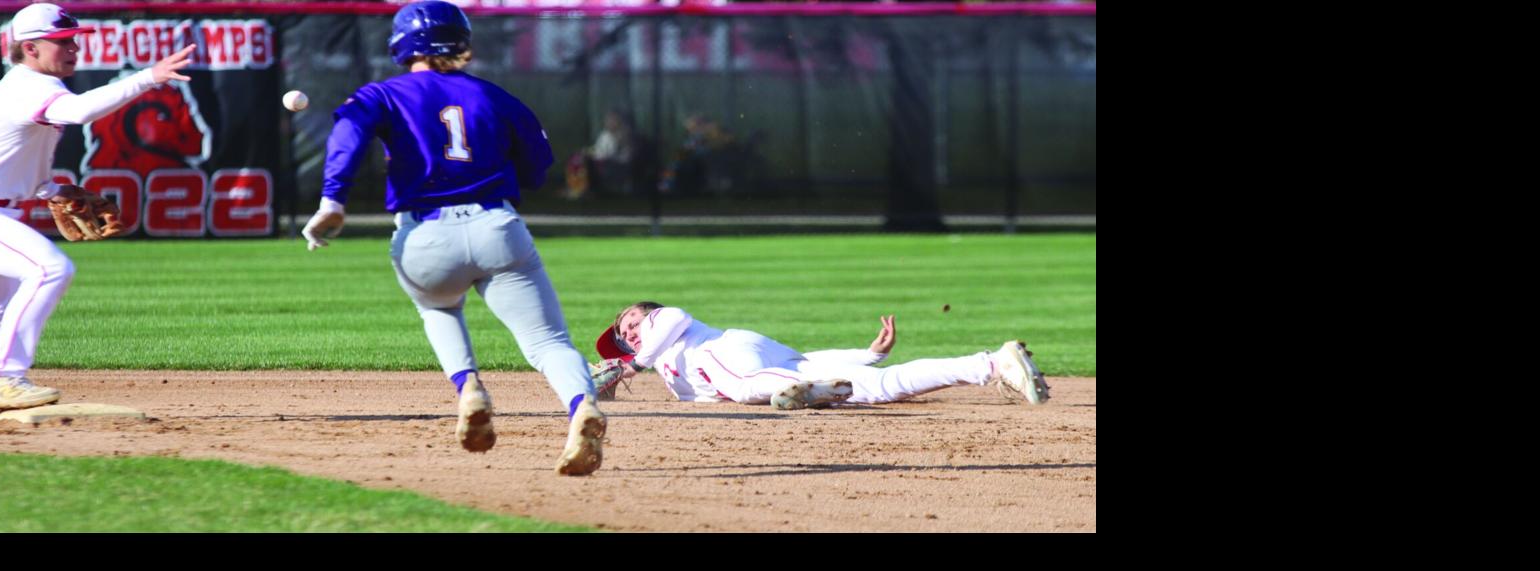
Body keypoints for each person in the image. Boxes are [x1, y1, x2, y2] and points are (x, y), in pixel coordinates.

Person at [300, 1, 605, 475]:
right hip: (496, 227)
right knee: (548, 343)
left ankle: (469, 389)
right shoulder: (495, 95)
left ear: (402, 44)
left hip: (423, 236)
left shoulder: (382, 94)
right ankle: (581, 404)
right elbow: (538, 164)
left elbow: (348, 132)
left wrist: (332, 201)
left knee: (438, 307)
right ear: (461, 43)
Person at [0, 4, 195, 421]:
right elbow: (80, 113)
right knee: (50, 269)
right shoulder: (28, 86)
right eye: (61, 43)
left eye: (73, 41)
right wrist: (148, 77)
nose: (72, 49)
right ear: (30, 48)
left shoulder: (33, 86)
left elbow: (15, 160)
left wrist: (50, 189)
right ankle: (2, 378)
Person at [595, 303, 1050, 409]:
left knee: (745, 387)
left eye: (631, 318)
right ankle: (991, 363)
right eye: (623, 334)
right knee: (877, 388)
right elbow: (800, 359)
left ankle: (800, 394)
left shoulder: (667, 324)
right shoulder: (661, 363)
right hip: (764, 359)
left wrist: (629, 364)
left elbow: (671, 321)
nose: (628, 329)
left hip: (723, 354)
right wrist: (863, 354)